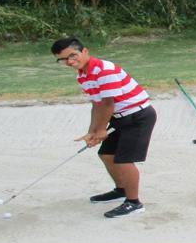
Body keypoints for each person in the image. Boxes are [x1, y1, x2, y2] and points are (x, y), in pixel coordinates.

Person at [53, 37, 156, 218]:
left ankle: (134, 203)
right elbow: (97, 105)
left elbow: (109, 103)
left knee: (124, 160)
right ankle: (121, 190)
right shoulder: (83, 75)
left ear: (85, 51)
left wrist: (101, 131)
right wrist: (92, 132)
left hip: (138, 116)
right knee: (106, 154)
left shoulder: (104, 70)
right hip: (120, 117)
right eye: (63, 59)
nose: (69, 61)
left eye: (73, 55)